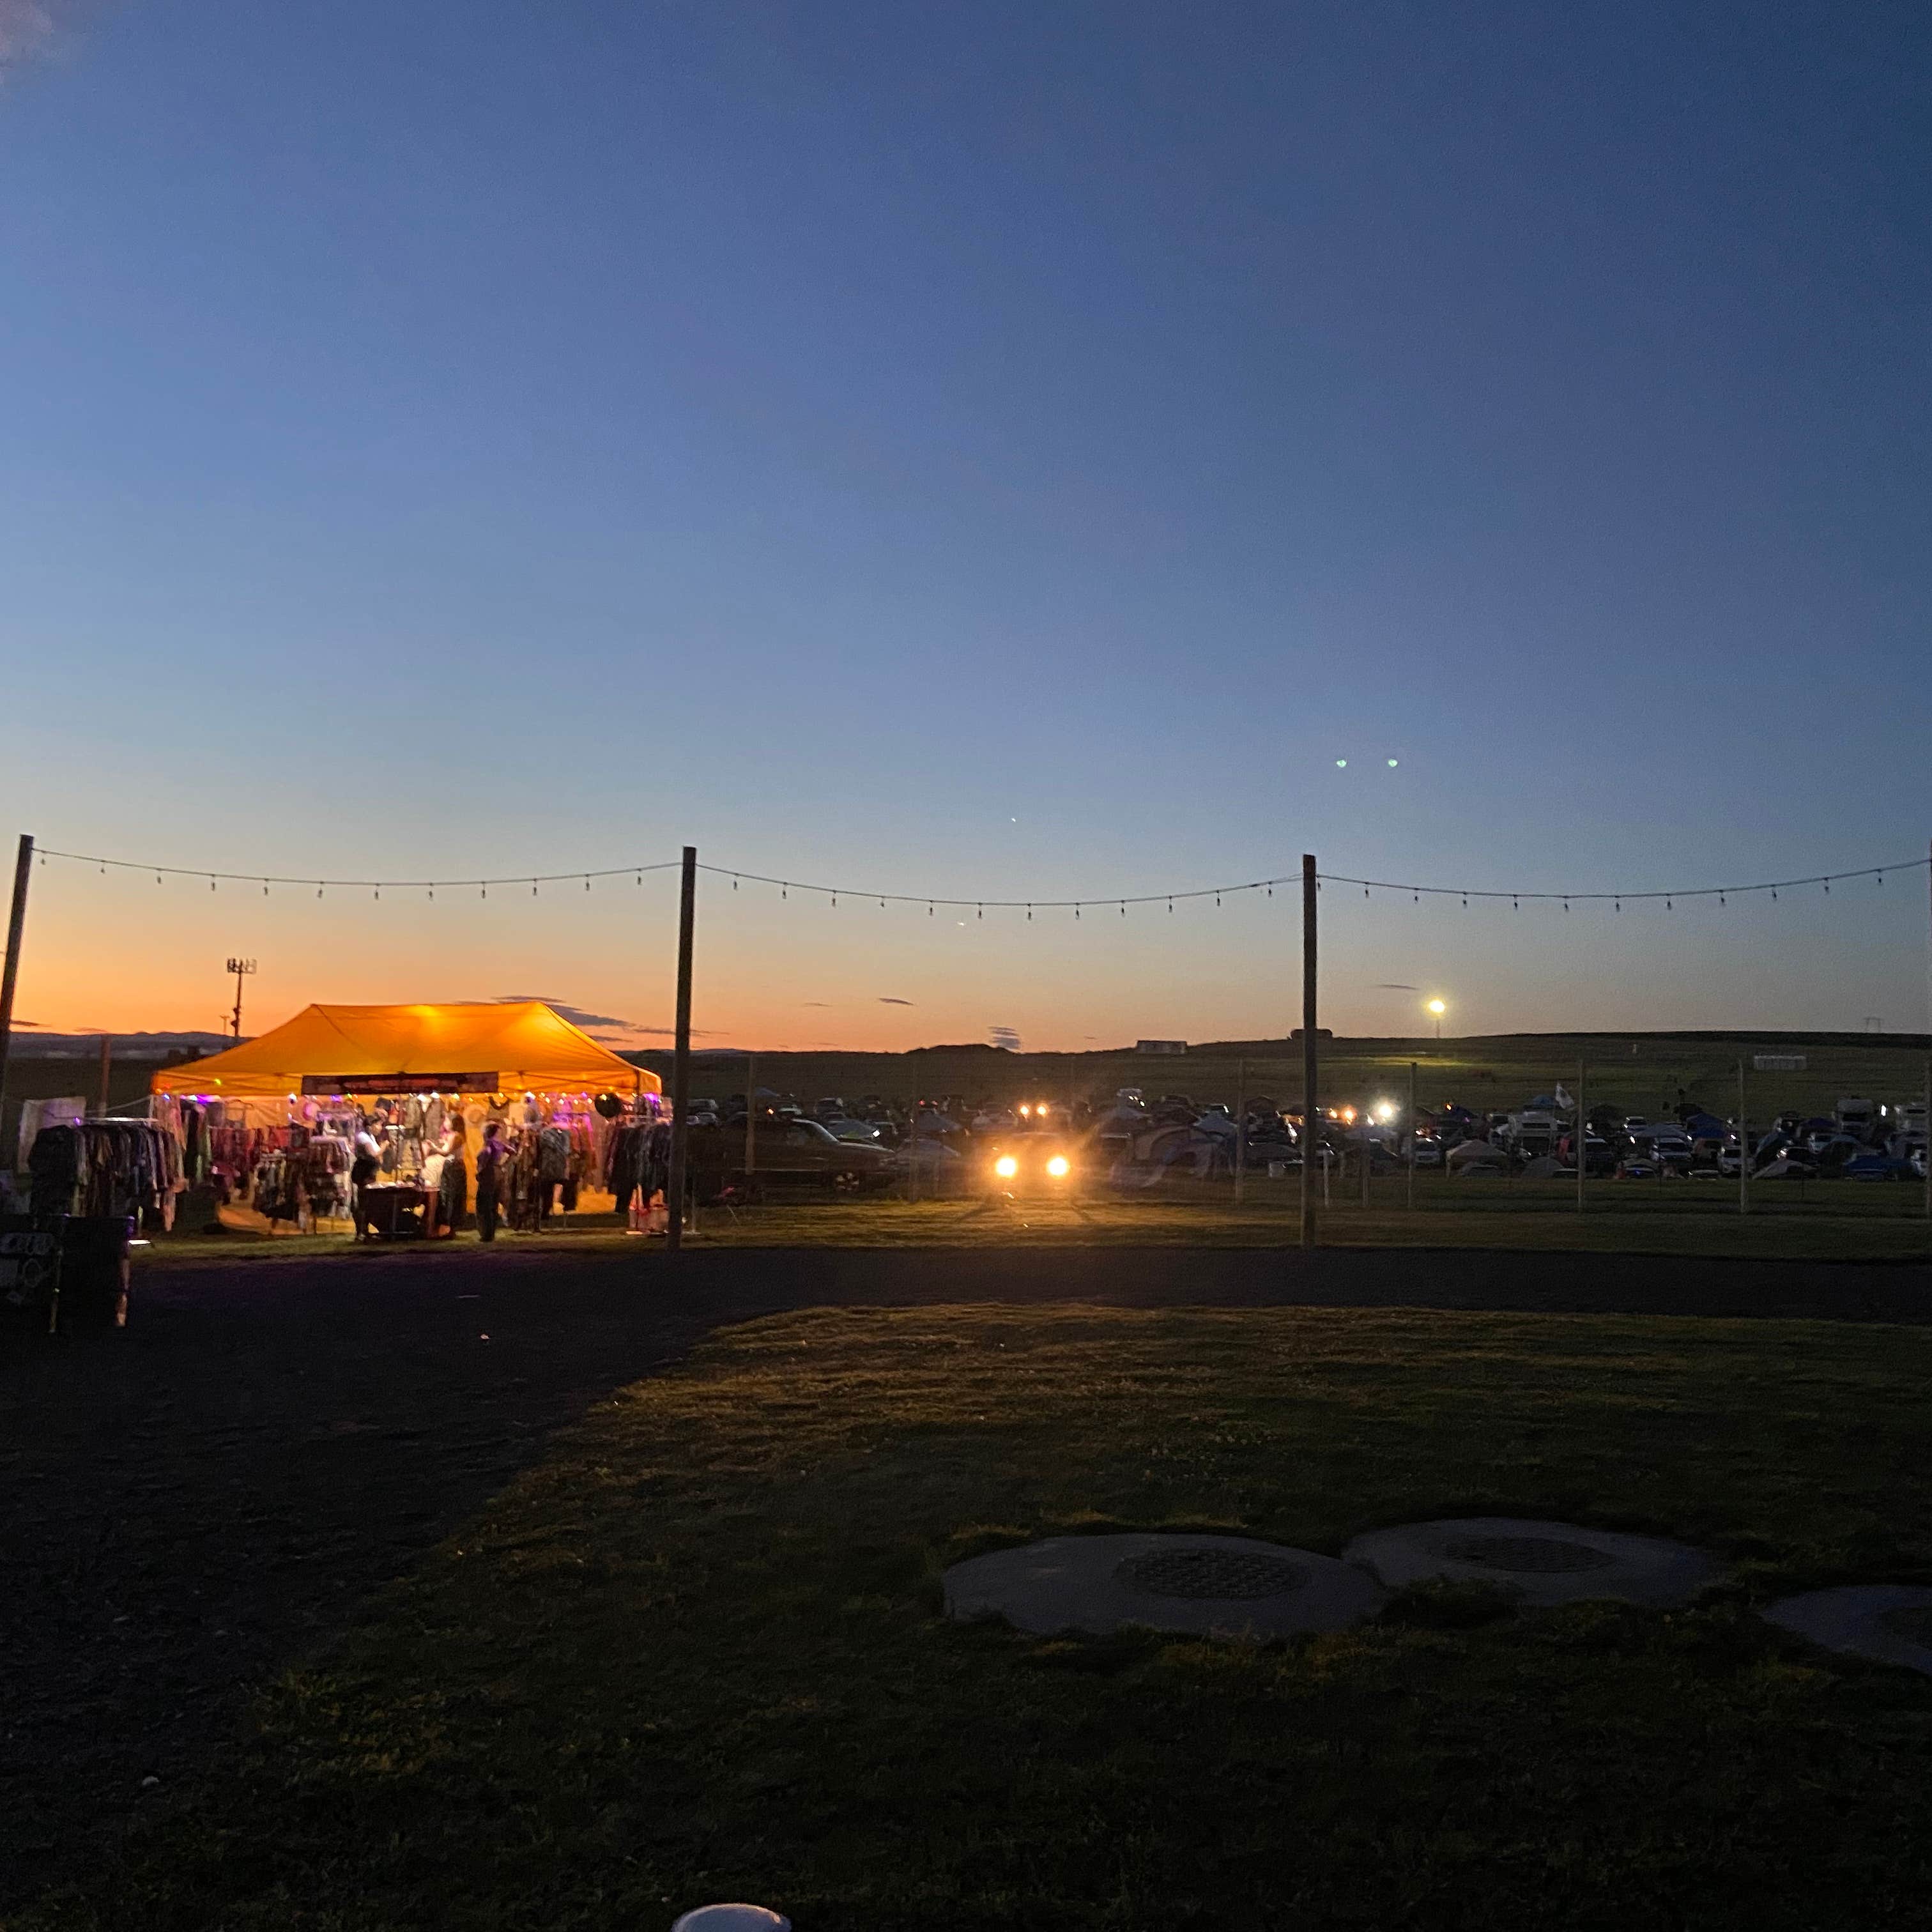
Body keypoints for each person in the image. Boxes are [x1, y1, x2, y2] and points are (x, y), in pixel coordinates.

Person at [350, 1112, 386, 1240]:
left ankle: (366, 1232)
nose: (380, 1128)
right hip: (363, 1173)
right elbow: (373, 1154)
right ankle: (361, 1232)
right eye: (378, 1125)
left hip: (371, 1173)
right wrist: (384, 1147)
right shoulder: (362, 1137)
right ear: (371, 1126)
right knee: (363, 1203)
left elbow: (379, 1158)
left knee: (370, 1203)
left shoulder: (371, 1137)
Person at [435, 1113, 468, 1237]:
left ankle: (448, 1227)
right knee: (455, 1196)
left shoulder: (455, 1136)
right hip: (457, 1167)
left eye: (447, 1121)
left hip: (453, 1168)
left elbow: (446, 1152)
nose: (445, 1123)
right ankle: (451, 1227)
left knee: (449, 1196)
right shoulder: (458, 1136)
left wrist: (432, 1147)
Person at [474, 1121, 507, 1243]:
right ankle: (491, 1232)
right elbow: (512, 1152)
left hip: (488, 1176)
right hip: (497, 1175)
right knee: (493, 1205)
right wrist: (501, 1164)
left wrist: (479, 1172)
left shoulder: (489, 1145)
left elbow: (484, 1159)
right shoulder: (500, 1145)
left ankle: (486, 1233)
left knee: (484, 1205)